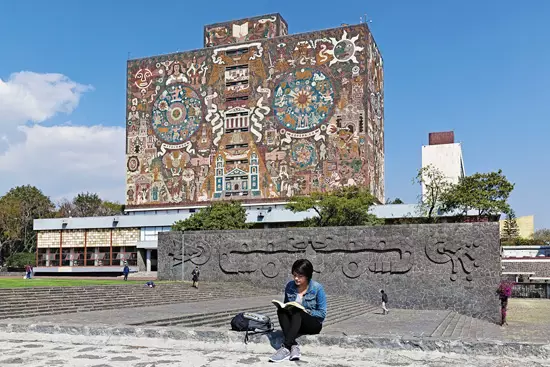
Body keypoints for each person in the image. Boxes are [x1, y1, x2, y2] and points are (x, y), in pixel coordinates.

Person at [269, 259, 327, 363]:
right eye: (295, 275)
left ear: (307, 276)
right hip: (296, 323)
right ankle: (294, 346)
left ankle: (286, 347)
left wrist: (306, 311)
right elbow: (286, 305)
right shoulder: (290, 286)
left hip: (312, 324)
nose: (296, 278)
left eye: (300, 276)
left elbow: (322, 314)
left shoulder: (317, 288)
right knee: (281, 311)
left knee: (297, 312)